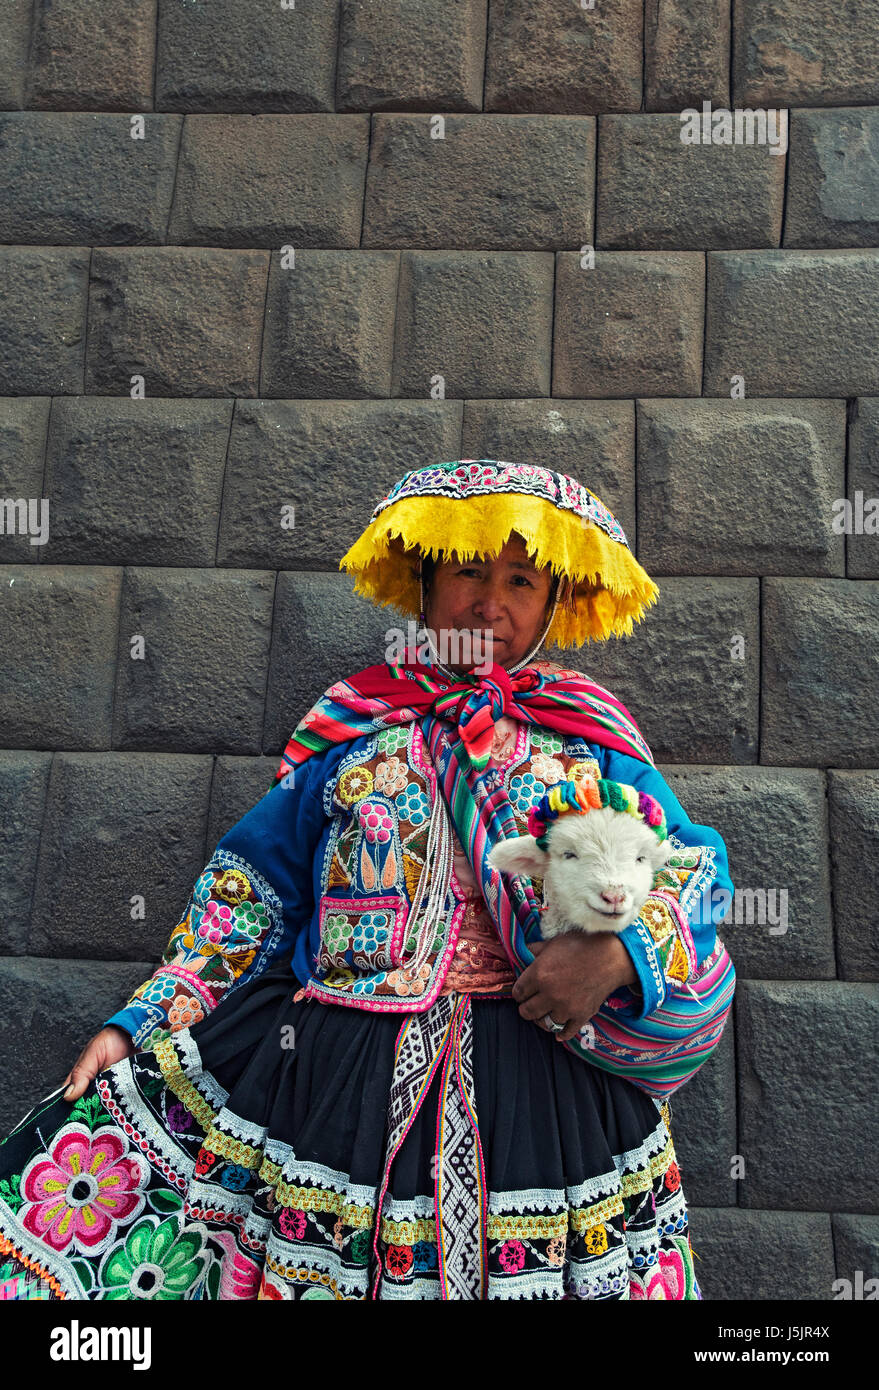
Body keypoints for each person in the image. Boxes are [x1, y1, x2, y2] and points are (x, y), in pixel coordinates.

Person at [0, 458, 736, 1300]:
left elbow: (691, 870)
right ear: (421, 583)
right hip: (343, 1079)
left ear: (554, 604)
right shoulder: (353, 733)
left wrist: (618, 957)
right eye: (466, 570)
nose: (489, 600)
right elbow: (250, 898)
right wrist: (144, 1022)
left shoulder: (590, 744)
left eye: (521, 580)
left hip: (550, 1084)